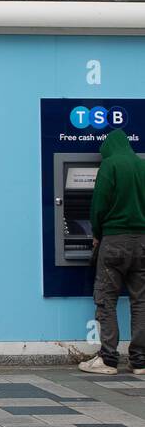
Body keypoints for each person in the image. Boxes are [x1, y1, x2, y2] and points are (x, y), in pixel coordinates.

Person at [79, 129, 145, 375]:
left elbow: (99, 203)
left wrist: (97, 232)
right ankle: (140, 362)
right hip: (143, 242)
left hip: (114, 240)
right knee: (141, 301)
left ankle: (108, 359)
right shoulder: (142, 165)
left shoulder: (110, 165)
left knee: (106, 299)